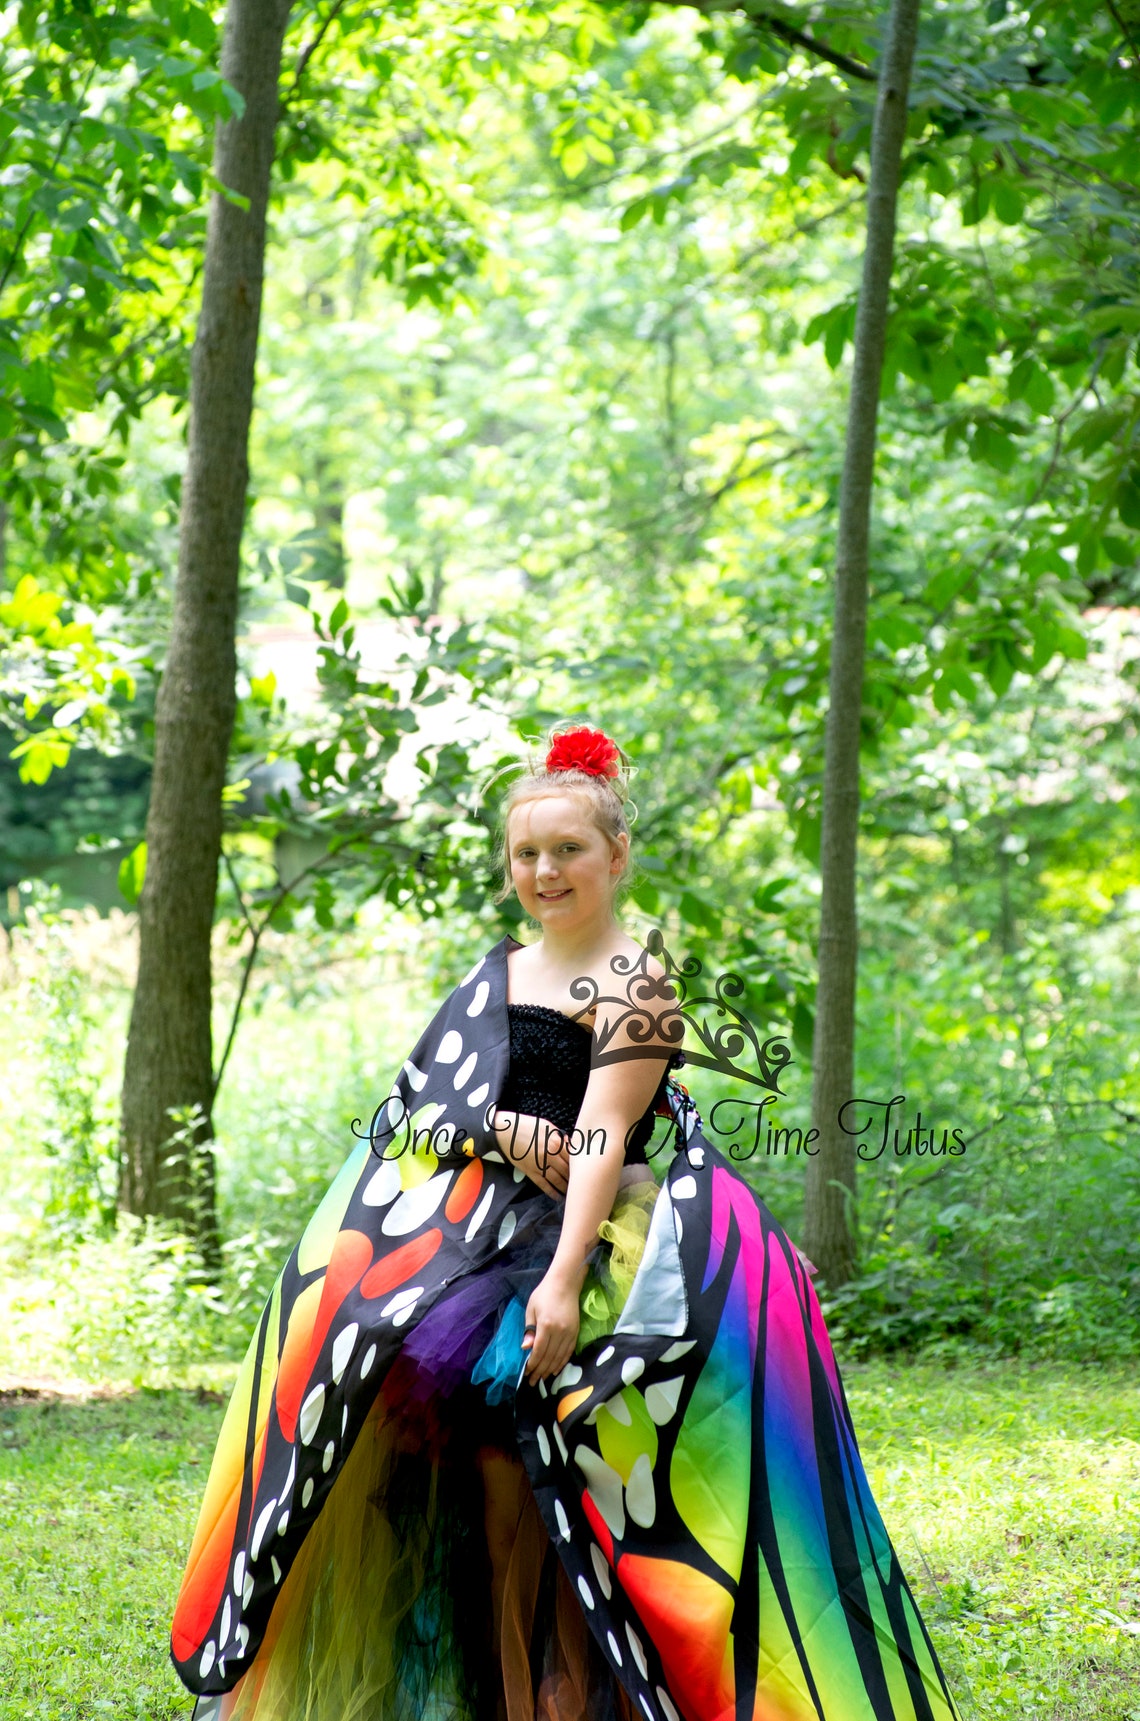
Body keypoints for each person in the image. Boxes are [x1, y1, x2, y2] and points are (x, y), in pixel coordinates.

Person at [172, 724, 962, 1721]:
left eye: (569, 849)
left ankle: (585, 1692)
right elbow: (411, 1106)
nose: (545, 869)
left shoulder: (637, 979)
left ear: (617, 855)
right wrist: (493, 1125)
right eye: (526, 852)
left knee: (582, 1485)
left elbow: (604, 1132)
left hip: (596, 1240)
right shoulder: (492, 973)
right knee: (493, 1499)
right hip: (482, 1241)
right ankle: (509, 1691)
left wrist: (559, 1282)